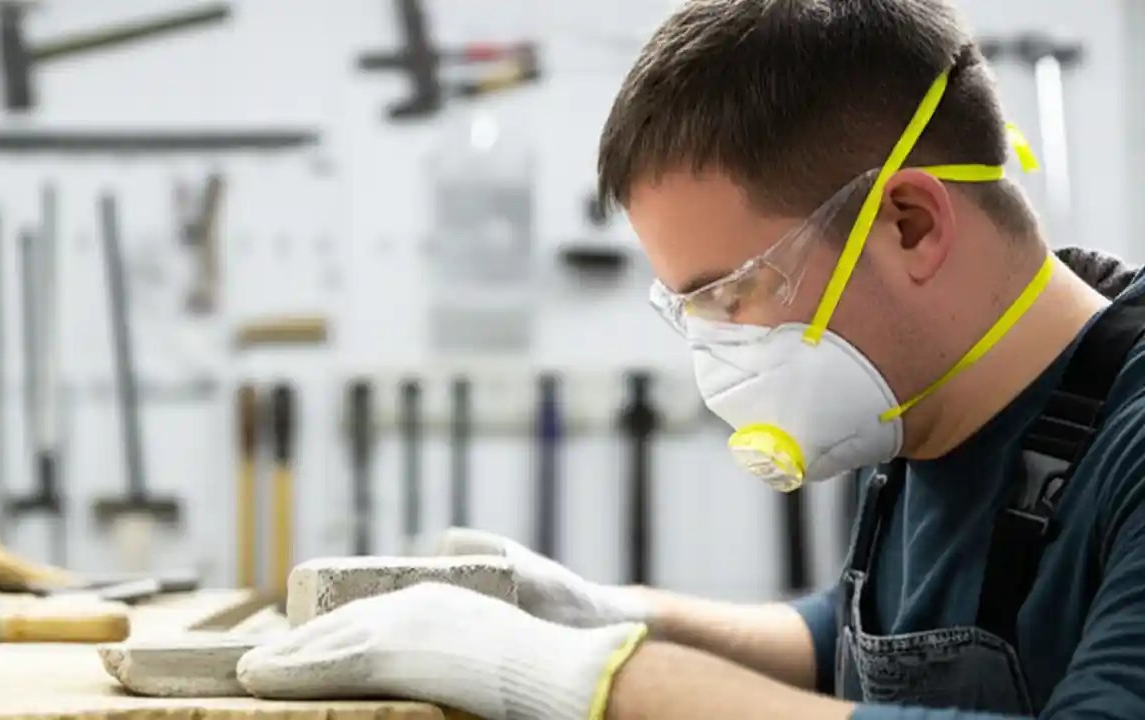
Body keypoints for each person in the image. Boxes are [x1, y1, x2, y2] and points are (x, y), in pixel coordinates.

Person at [234, 1, 1145, 718]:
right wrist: (612, 611)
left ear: (909, 224)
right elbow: (858, 645)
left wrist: (581, 677)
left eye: (733, 289)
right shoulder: (931, 400)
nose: (718, 339)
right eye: (689, 307)